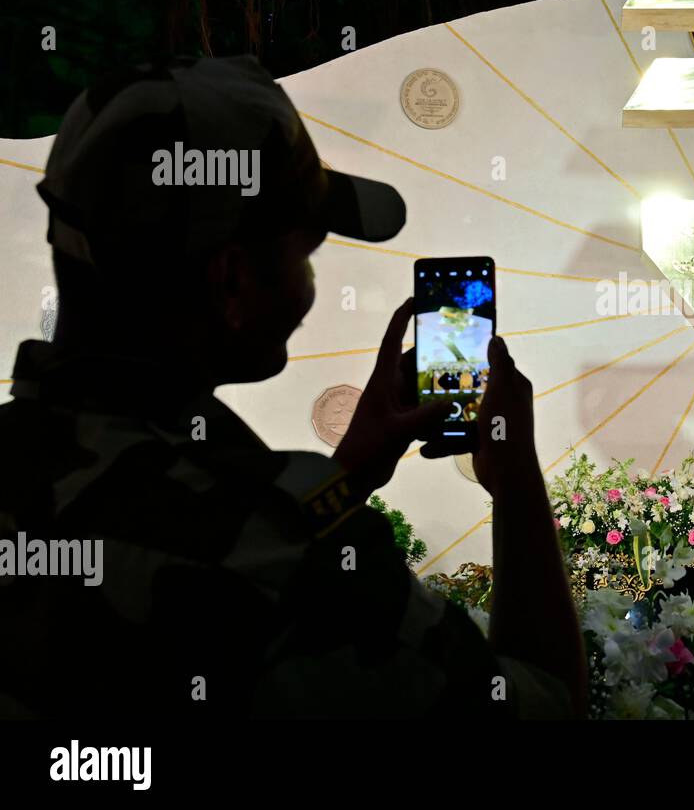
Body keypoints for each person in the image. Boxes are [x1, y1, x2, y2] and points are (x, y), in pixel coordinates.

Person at [0, 56, 585, 717]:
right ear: (233, 284)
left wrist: (345, 476)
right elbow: (547, 700)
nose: (310, 285)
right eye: (305, 254)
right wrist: (515, 481)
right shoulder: (284, 565)